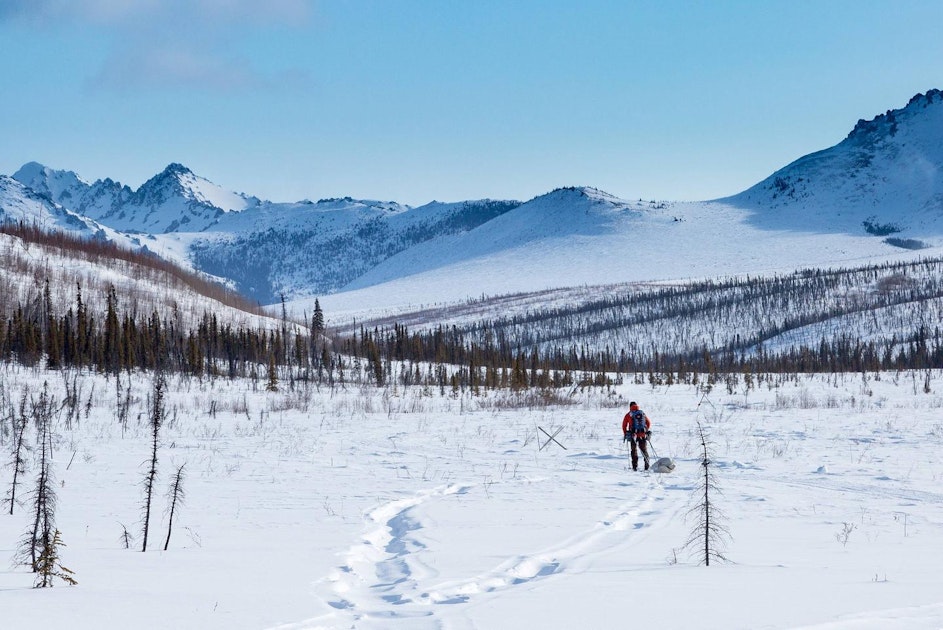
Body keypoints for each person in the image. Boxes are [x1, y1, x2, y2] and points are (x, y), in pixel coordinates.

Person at [622, 401, 652, 471]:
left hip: (633, 435)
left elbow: (624, 425)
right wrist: (645, 430)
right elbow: (648, 422)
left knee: (634, 450)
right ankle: (647, 466)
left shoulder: (629, 414)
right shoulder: (642, 413)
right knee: (644, 450)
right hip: (643, 435)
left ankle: (635, 467)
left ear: (630, 407)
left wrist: (625, 433)